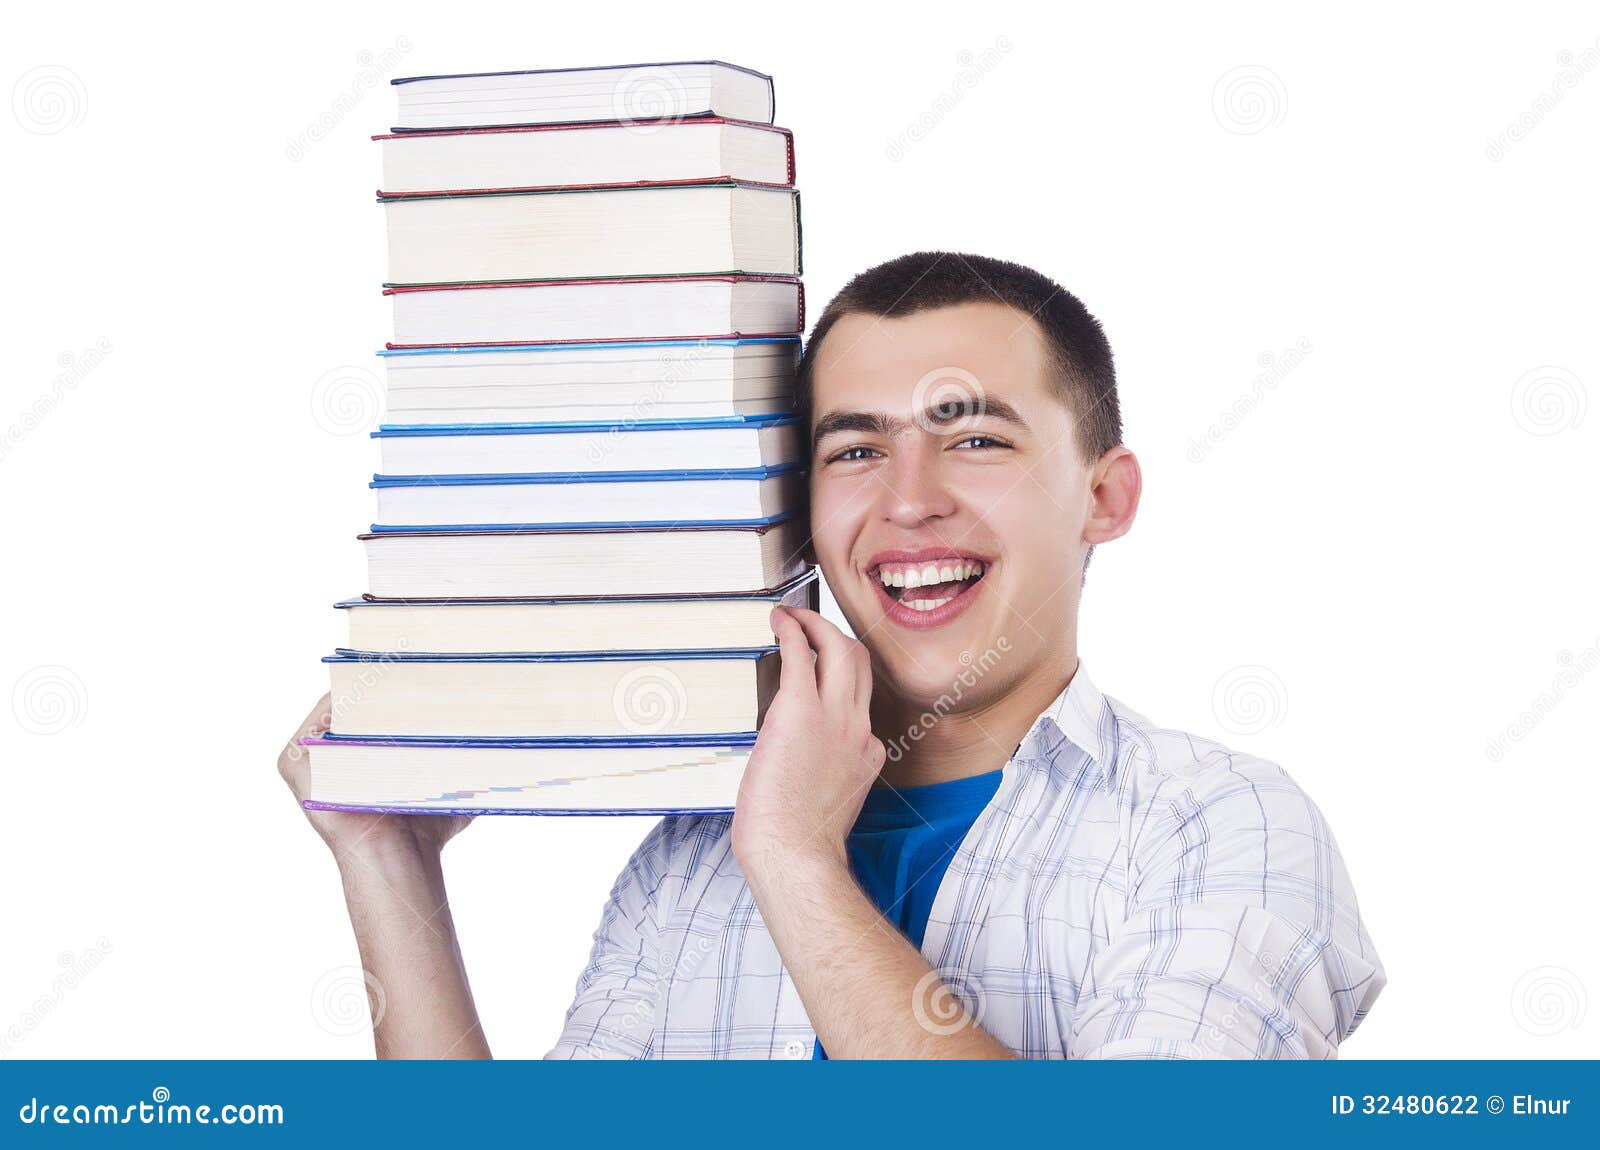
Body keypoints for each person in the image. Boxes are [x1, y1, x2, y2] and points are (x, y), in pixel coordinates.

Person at [278, 251, 1385, 1059]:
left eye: (975, 438)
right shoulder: (689, 860)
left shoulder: (1220, 825)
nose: (908, 502)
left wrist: (800, 862)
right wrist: (387, 858)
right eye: (856, 448)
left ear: (1104, 496)